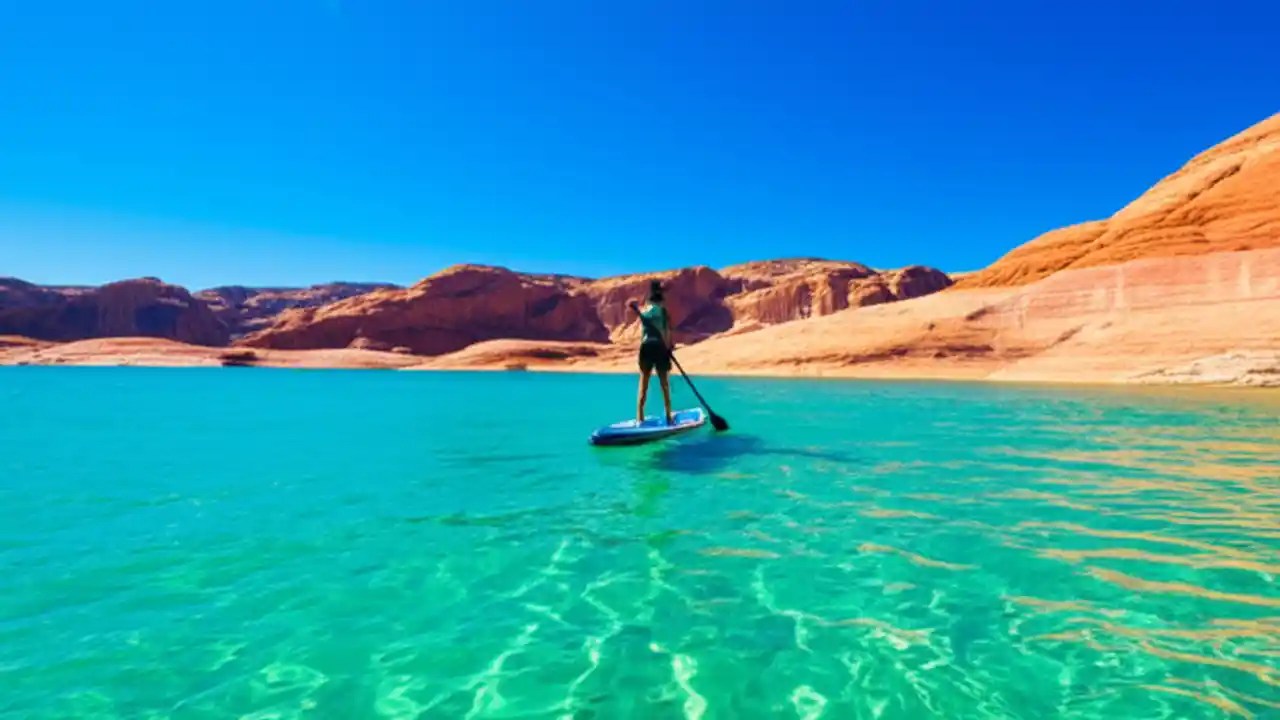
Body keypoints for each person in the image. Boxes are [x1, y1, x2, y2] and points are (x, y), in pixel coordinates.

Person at [636, 280, 674, 425]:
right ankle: (669, 416)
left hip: (645, 347)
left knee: (643, 383)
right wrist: (669, 348)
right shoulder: (663, 312)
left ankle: (640, 417)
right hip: (659, 347)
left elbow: (642, 335)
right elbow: (666, 333)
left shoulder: (644, 313)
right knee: (664, 383)